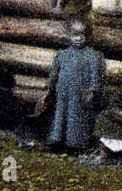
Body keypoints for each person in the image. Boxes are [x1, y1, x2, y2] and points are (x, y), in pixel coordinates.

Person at [42, 17, 105, 153]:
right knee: (60, 115)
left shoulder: (92, 56)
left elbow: (96, 75)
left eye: (82, 35)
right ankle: (56, 140)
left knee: (76, 117)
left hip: (80, 94)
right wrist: (50, 89)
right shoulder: (62, 55)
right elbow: (54, 73)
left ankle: (75, 144)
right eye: (75, 35)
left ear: (87, 36)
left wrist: (92, 91)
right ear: (69, 35)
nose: (78, 38)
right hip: (62, 92)